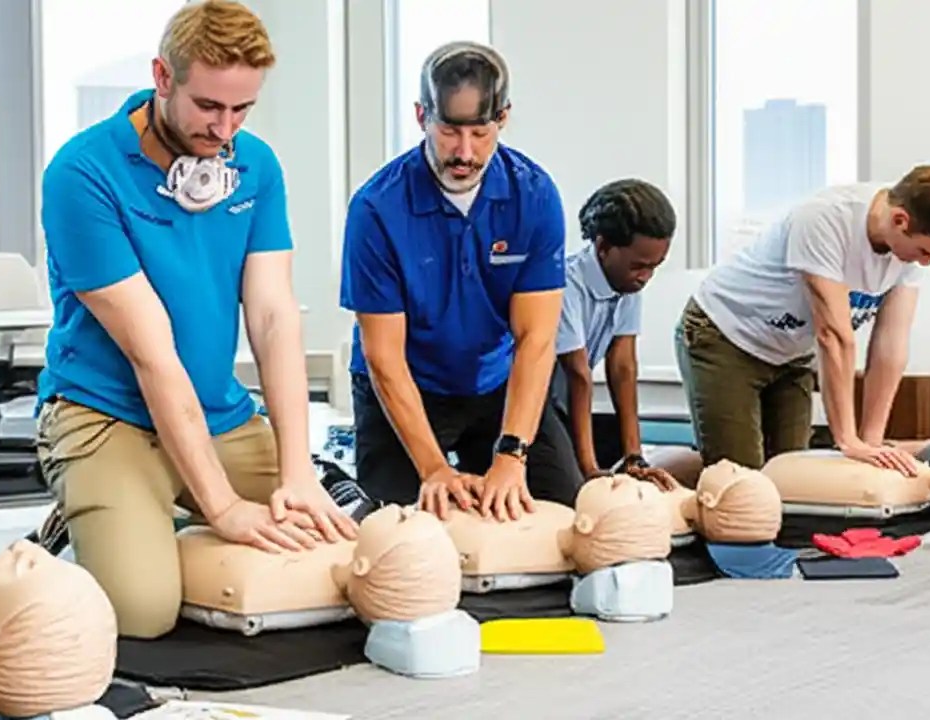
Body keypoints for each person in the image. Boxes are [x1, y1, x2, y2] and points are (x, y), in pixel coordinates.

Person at [34, 0, 357, 640]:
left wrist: (297, 470)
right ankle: (93, 518)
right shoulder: (81, 173)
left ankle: (160, 520)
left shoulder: (255, 166)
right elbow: (152, 353)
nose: (224, 128)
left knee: (340, 550)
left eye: (242, 109)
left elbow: (273, 318)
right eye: (208, 106)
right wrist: (223, 507)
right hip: (106, 415)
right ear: (162, 76)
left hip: (217, 415)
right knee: (142, 611)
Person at [340, 40, 580, 523]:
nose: (464, 152)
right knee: (394, 529)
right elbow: (384, 356)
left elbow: (536, 338)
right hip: (407, 383)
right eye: (449, 131)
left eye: (480, 132)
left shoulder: (534, 196)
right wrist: (433, 469)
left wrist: (511, 455)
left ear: (503, 119)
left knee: (557, 512)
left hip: (496, 383)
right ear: (421, 116)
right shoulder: (376, 208)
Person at [675, 165, 930, 476]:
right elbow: (834, 335)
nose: (926, 262)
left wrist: (871, 442)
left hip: (790, 353)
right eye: (924, 251)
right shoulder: (826, 219)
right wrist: (848, 440)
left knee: (790, 476)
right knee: (743, 481)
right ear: (900, 220)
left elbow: (891, 344)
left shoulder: (910, 246)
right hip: (725, 334)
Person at [551, 179, 675, 483]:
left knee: (618, 448)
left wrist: (635, 457)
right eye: (639, 266)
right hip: (537, 399)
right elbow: (578, 374)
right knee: (569, 486)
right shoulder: (565, 284)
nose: (645, 277)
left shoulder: (627, 284)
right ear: (603, 247)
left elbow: (622, 367)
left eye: (655, 267)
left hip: (568, 400)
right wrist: (588, 468)